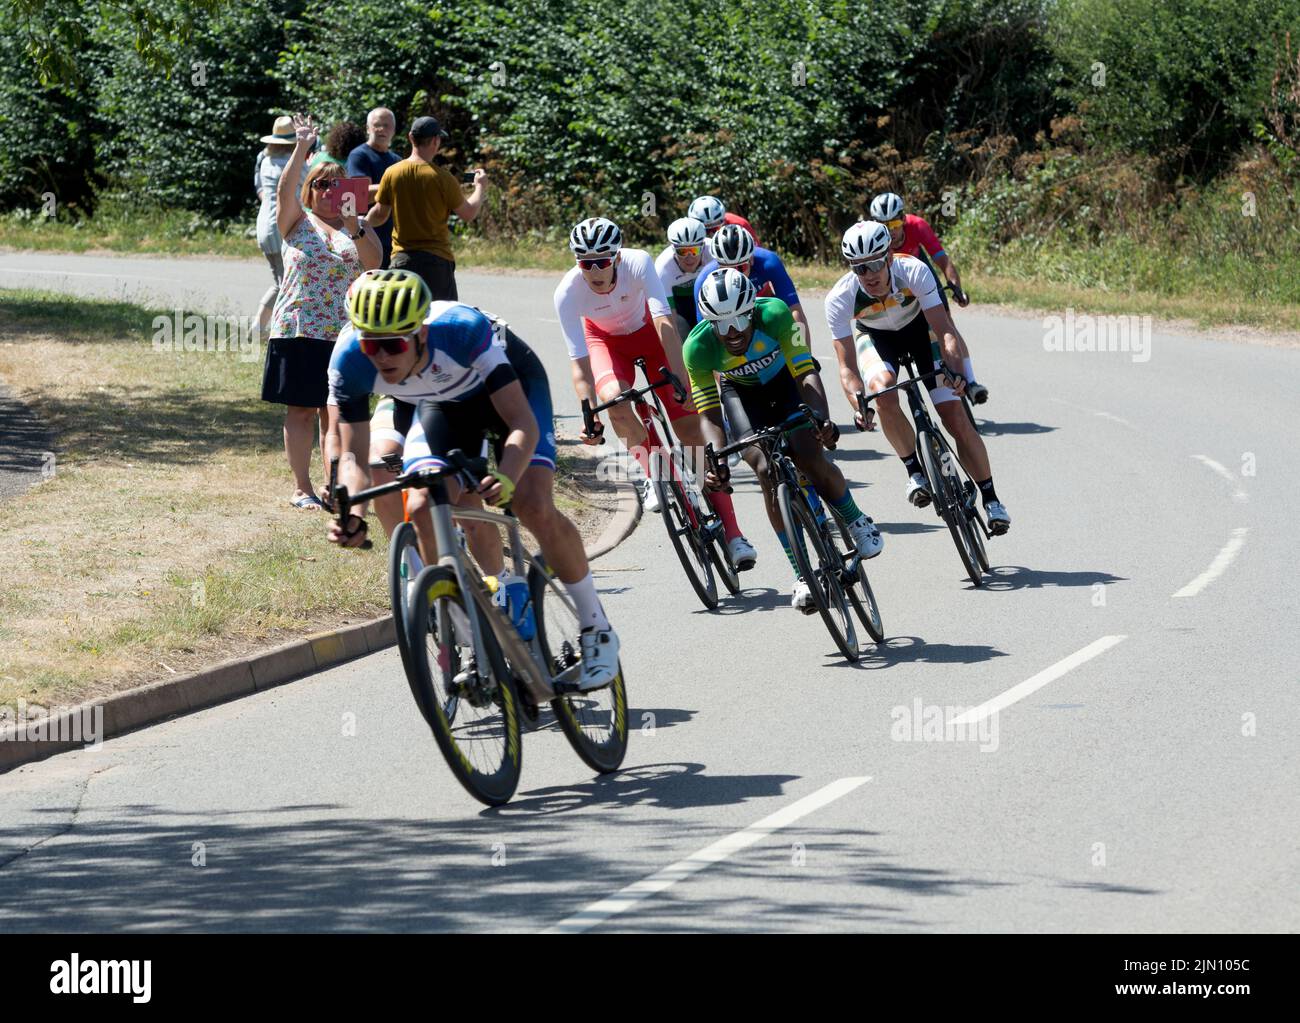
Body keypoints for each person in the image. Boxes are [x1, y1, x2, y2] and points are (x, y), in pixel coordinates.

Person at [325, 268, 621, 690]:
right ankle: (466, 612)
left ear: (421, 334)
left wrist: (507, 475)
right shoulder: (351, 358)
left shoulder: (461, 331)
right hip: (441, 405)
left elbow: (521, 423)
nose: (382, 357)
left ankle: (597, 627)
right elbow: (353, 456)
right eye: (372, 345)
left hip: (509, 392)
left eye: (393, 345)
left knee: (531, 504)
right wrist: (354, 512)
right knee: (425, 502)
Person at [554, 216, 757, 570]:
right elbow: (580, 364)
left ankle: (734, 533)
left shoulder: (638, 262)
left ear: (617, 257)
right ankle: (654, 472)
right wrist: (589, 413)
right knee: (616, 401)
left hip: (651, 334)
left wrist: (680, 380)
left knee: (691, 434)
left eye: (603, 260)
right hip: (605, 342)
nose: (595, 269)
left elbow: (665, 321)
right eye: (587, 263)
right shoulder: (567, 292)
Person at [689, 268, 884, 613]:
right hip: (742, 396)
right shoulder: (698, 348)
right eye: (721, 324)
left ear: (751, 312)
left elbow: (805, 371)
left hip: (786, 383)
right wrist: (714, 460)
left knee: (809, 455)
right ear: (709, 324)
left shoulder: (774, 314)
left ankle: (855, 519)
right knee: (765, 469)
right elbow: (709, 414)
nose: (732, 333)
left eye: (738, 321)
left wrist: (821, 418)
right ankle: (802, 574)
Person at [825, 221, 1010, 533]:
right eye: (859, 268)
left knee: (953, 414)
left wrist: (955, 372)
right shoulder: (840, 297)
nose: (868, 275)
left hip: (921, 333)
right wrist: (859, 405)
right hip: (877, 338)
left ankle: (991, 499)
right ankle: (914, 471)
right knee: (881, 393)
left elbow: (945, 330)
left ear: (888, 257)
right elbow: (847, 368)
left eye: (873, 264)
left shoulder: (913, 271)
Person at [262, 113, 382, 511]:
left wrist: (354, 225)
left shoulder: (357, 226)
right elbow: (283, 190)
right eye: (320, 184)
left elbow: (374, 266)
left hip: (346, 333)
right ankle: (302, 487)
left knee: (336, 413)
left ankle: (335, 485)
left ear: (349, 190)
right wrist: (301, 148)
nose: (329, 190)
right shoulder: (296, 222)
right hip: (298, 328)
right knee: (300, 410)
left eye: (337, 183)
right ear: (310, 190)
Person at [869, 191, 986, 404]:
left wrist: (956, 287)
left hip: (920, 274)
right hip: (894, 281)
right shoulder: (874, 242)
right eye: (884, 226)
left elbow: (942, 259)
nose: (891, 232)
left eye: (895, 224)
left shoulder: (918, 225)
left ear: (903, 219)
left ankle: (970, 381)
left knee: (947, 325)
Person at [363, 115, 486, 300]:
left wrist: (361, 225)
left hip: (402, 262)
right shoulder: (443, 178)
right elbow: (468, 213)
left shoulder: (393, 172)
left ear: (411, 138)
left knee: (402, 322)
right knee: (440, 320)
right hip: (437, 262)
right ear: (436, 141)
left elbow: (380, 214)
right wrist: (480, 187)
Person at [692, 224, 813, 350]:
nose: (735, 274)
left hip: (762, 312)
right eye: (727, 269)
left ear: (752, 259)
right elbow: (705, 332)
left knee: (780, 313)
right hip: (730, 323)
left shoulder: (769, 262)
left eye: (740, 268)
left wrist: (805, 355)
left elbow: (794, 311)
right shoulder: (704, 280)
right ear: (718, 265)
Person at [253, 115, 297, 336]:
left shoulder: (266, 160)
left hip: (264, 226)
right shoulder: (292, 165)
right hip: (281, 229)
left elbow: (261, 191)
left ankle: (259, 328)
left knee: (280, 281)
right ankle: (269, 330)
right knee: (285, 284)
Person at [345, 107, 401, 268]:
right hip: (367, 236)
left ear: (394, 130)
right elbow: (360, 194)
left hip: (393, 238)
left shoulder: (396, 160)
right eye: (377, 125)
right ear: (368, 128)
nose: (382, 129)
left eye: (387, 125)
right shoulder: (359, 155)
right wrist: (394, 184)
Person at [654, 216, 709, 338]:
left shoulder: (713, 251)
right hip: (679, 302)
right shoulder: (662, 268)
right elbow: (669, 318)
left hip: (706, 294)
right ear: (673, 249)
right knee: (680, 332)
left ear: (703, 246)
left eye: (694, 250)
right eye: (682, 252)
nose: (689, 258)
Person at [687, 195, 758, 247]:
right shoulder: (688, 230)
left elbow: (756, 250)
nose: (711, 233)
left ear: (723, 218)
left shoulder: (739, 224)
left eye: (715, 227)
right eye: (707, 230)